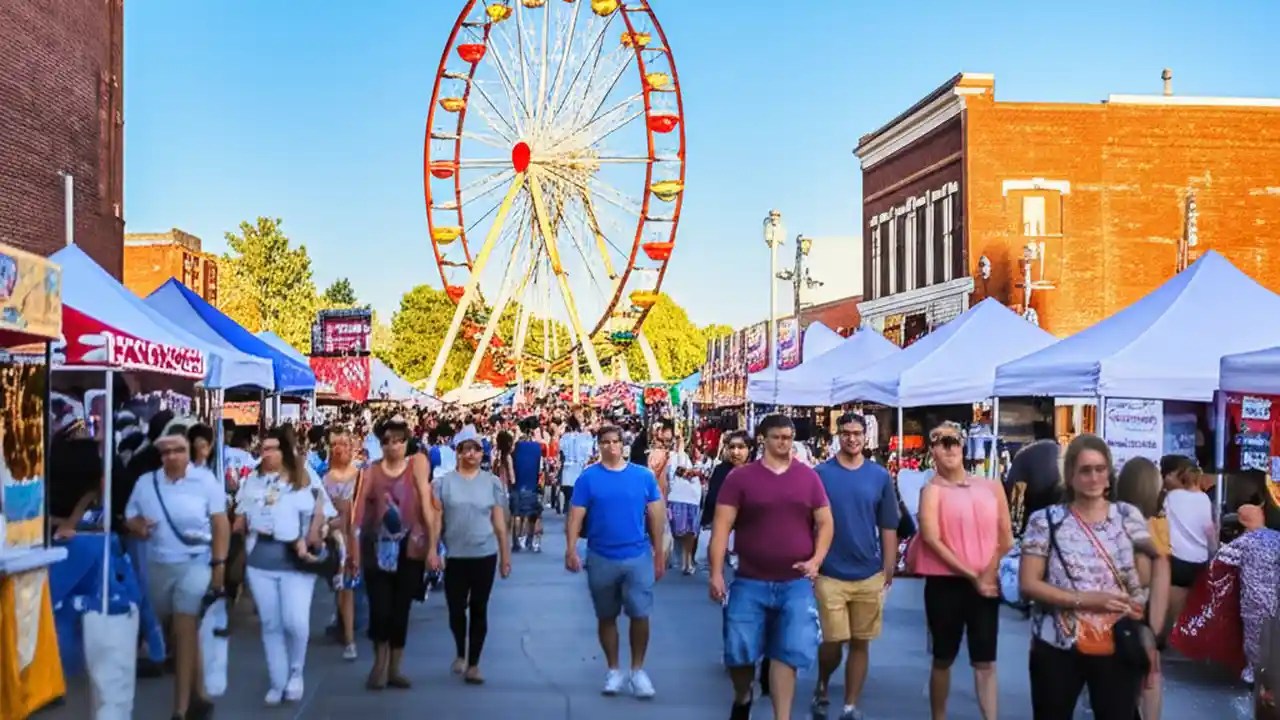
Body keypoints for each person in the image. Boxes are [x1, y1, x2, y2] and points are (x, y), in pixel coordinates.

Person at [1019, 433, 1163, 720]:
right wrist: (1084, 600)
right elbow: (1029, 583)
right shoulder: (1046, 520)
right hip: (1057, 642)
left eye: (1100, 469)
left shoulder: (1127, 516)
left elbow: (1155, 566)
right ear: (1070, 475)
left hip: (1118, 641)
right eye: (1085, 470)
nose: (1094, 477)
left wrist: (1151, 631)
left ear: (1109, 474)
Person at [708, 414, 834, 720]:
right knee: (738, 653)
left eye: (789, 437)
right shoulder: (740, 478)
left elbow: (825, 522)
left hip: (795, 581)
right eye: (778, 437)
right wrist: (715, 573)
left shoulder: (808, 477)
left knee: (787, 653)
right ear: (763, 439)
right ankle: (743, 694)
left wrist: (816, 560)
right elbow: (722, 526)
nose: (784, 443)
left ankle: (783, 716)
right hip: (750, 579)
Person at [124, 428, 229, 720]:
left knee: (184, 626)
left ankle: (180, 709)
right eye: (166, 451)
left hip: (196, 561)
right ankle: (199, 693)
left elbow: (220, 523)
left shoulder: (205, 481)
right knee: (179, 632)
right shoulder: (147, 483)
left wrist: (219, 566)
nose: (172, 456)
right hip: (160, 564)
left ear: (188, 452)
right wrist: (138, 527)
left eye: (178, 450)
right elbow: (129, 515)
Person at [914, 421, 1012, 720]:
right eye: (940, 441)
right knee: (943, 658)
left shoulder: (992, 486)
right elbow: (931, 538)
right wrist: (973, 575)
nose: (948, 447)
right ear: (932, 451)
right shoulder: (931, 490)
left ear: (962, 445)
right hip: (946, 585)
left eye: (953, 441)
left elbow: (1005, 537)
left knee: (985, 661)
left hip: (985, 582)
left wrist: (987, 573)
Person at [235, 427, 338, 705]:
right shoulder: (253, 480)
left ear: (285, 450)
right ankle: (277, 679)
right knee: (271, 623)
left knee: (295, 620)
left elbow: (324, 511)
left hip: (296, 559)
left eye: (272, 448)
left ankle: (296, 671)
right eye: (263, 448)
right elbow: (241, 514)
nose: (266, 453)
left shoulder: (304, 477)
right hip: (261, 558)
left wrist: (315, 532)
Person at [565, 425, 666, 699]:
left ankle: (637, 670)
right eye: (606, 442)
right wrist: (571, 548)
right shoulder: (588, 478)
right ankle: (613, 669)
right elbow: (576, 514)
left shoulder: (643, 476)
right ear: (599, 446)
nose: (611, 447)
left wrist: (660, 552)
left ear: (624, 445)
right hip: (600, 555)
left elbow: (657, 514)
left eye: (616, 442)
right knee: (606, 615)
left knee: (640, 613)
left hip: (637, 555)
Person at [811, 413, 899, 720]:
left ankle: (850, 705)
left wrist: (889, 568)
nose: (852, 438)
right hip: (829, 571)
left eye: (857, 433)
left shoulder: (879, 476)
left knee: (861, 642)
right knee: (834, 640)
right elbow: (808, 521)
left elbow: (889, 524)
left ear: (866, 436)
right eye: (846, 432)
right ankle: (822, 683)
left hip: (868, 572)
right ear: (837, 435)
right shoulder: (820, 474)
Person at [350, 416, 438, 690]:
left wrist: (433, 547)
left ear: (407, 442)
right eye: (387, 441)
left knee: (401, 610)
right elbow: (358, 514)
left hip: (409, 549)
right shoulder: (370, 472)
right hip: (376, 550)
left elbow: (426, 504)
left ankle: (394, 668)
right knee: (380, 609)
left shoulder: (417, 466)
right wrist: (352, 551)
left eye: (398, 440)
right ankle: (379, 663)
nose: (393, 446)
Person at [432, 437, 512, 684]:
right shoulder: (443, 484)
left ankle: (474, 663)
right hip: (455, 554)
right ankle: (460, 652)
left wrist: (505, 556)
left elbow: (499, 523)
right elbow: (436, 521)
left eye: (476, 450)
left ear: (482, 455)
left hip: (484, 553)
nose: (471, 454)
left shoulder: (492, 483)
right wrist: (431, 551)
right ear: (458, 453)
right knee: (456, 608)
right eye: (466, 449)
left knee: (479, 608)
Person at [1114, 456, 1173, 720]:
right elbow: (1157, 618)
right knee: (1150, 683)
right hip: (1137, 629)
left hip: (1098, 627)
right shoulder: (1153, 533)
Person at [324, 426, 362, 661]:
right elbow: (324, 513)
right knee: (343, 589)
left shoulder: (359, 476)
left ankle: (349, 635)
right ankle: (346, 634)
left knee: (349, 589)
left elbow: (358, 510)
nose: (339, 449)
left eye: (343, 445)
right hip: (336, 538)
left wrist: (344, 510)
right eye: (334, 445)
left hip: (356, 537)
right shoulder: (325, 478)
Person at [666, 434, 702, 575]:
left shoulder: (703, 459)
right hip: (678, 497)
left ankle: (687, 561)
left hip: (693, 498)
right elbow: (681, 472)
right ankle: (681, 560)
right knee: (678, 530)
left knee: (690, 532)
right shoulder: (676, 457)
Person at [512, 417, 545, 552]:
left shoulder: (516, 447)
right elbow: (541, 468)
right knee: (533, 514)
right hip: (532, 483)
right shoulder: (537, 447)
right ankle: (530, 541)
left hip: (518, 483)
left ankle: (516, 542)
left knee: (517, 514)